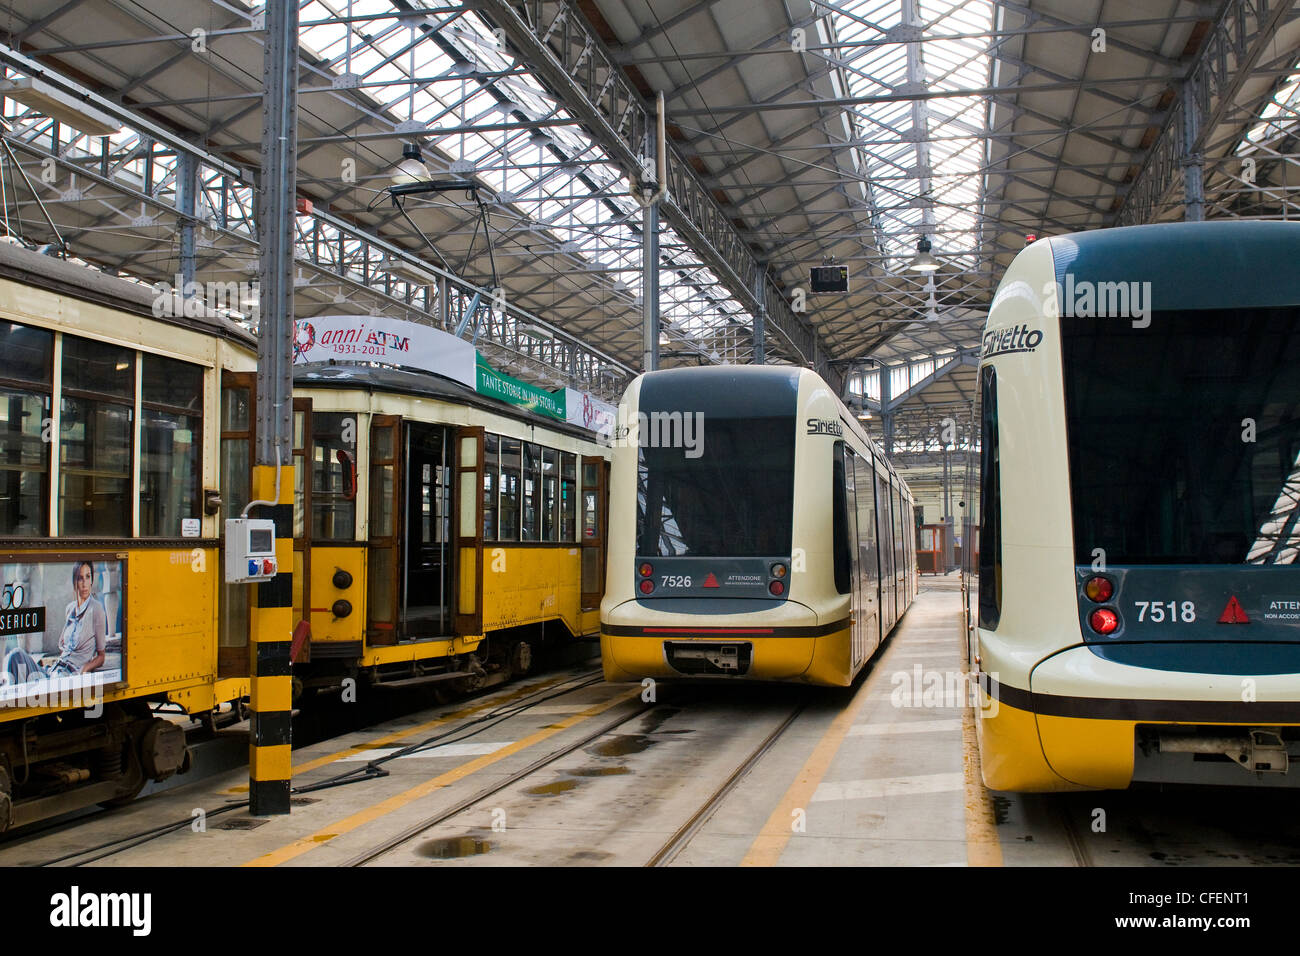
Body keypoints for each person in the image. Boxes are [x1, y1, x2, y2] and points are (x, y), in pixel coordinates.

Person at [2, 561, 107, 685]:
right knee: (15, 655)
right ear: (75, 582)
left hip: (68, 676)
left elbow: (101, 656)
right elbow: (64, 649)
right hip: (53, 671)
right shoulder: (70, 608)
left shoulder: (96, 609)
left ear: (92, 580)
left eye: (88, 577)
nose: (84, 583)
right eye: (80, 578)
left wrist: (85, 668)